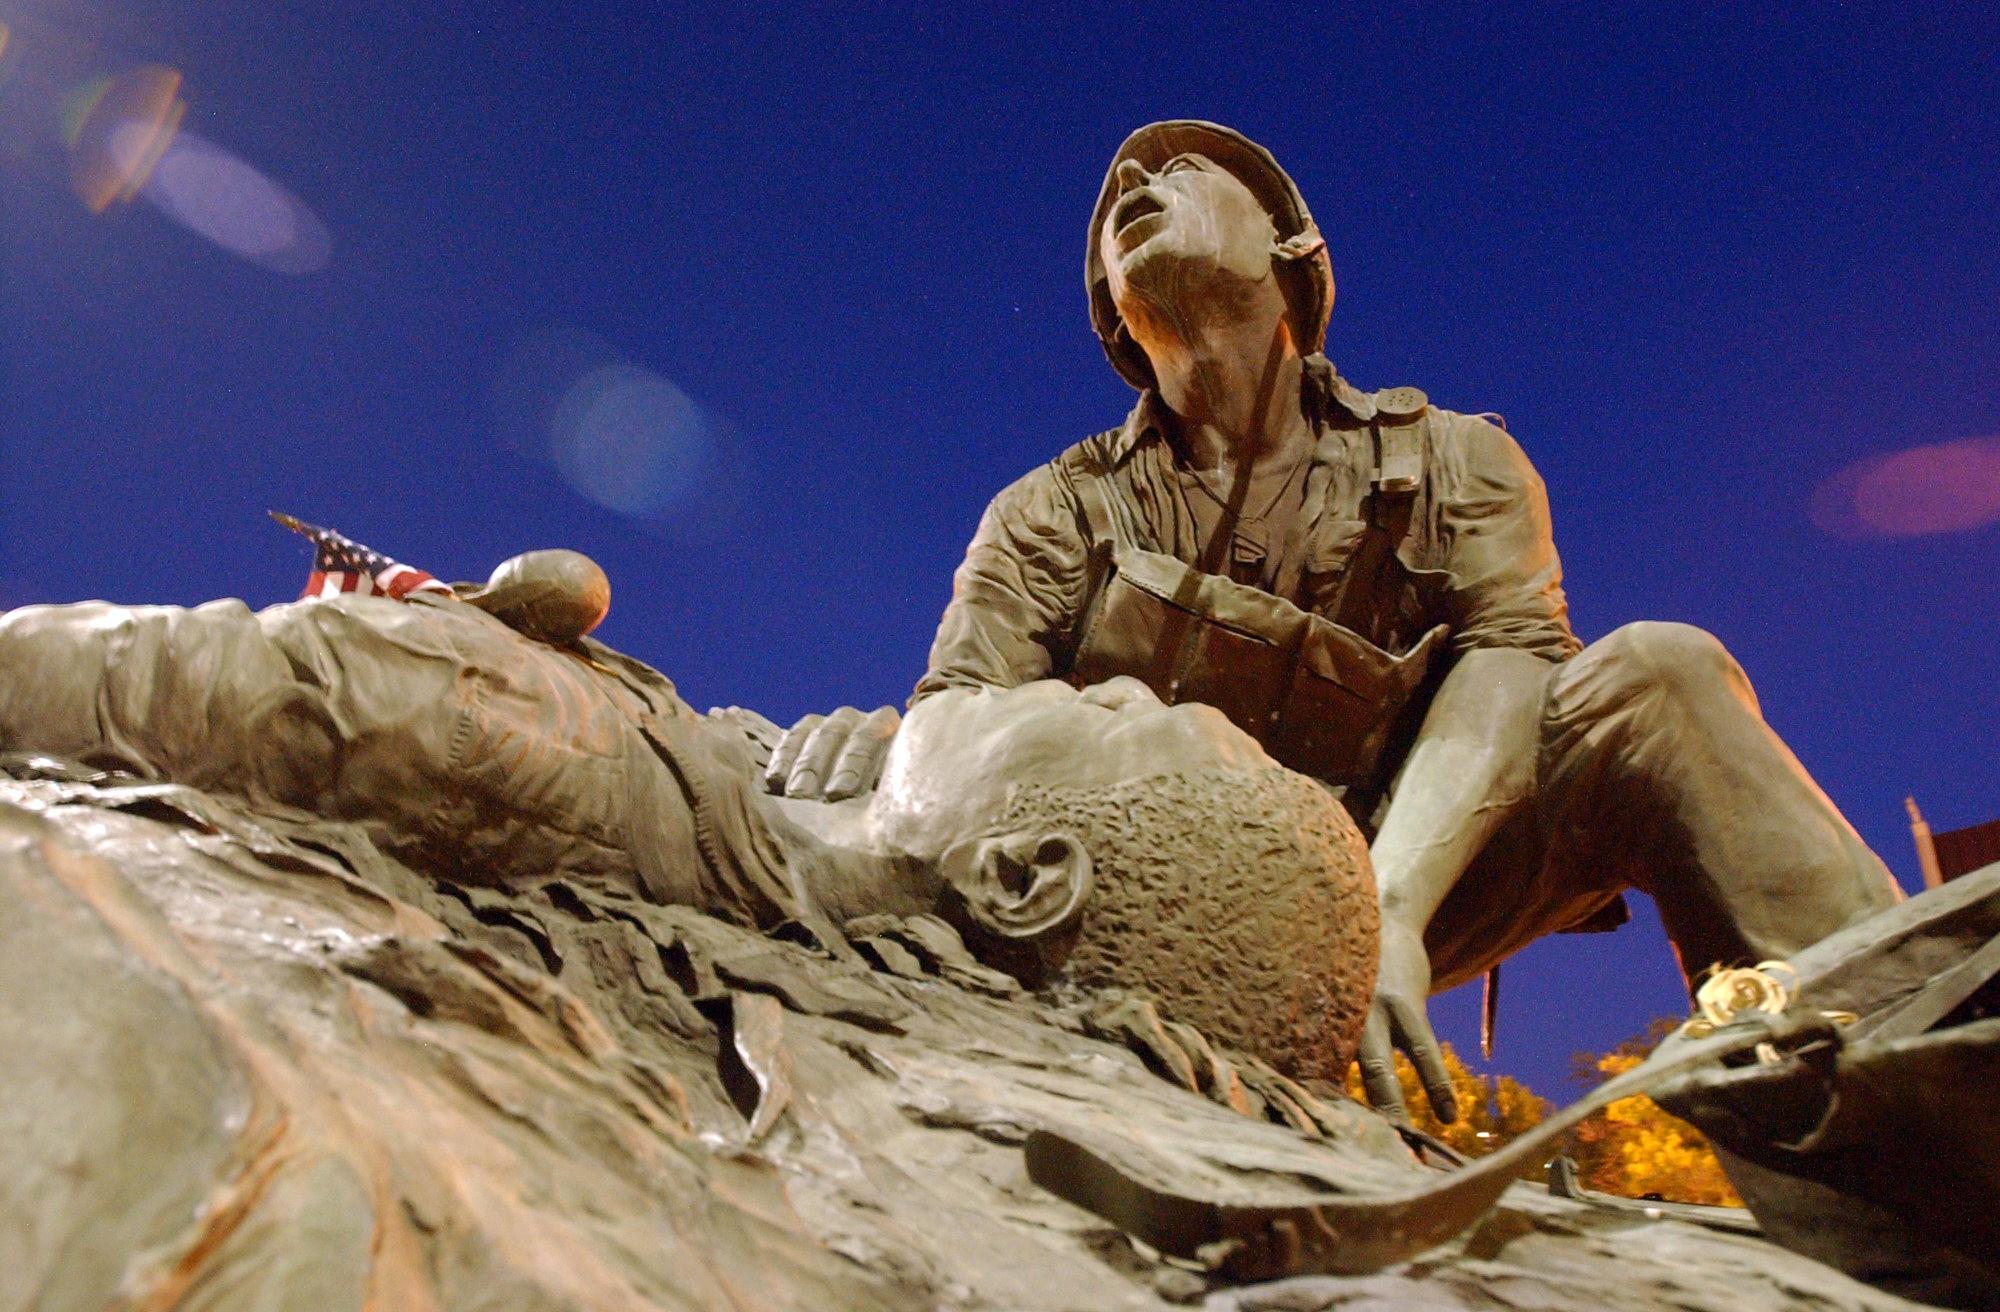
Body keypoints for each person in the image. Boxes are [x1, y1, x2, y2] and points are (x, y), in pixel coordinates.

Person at [769, 120, 1902, 1122]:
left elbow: (1516, 652)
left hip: (1424, 868)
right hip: (1145, 894)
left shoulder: (1454, 458)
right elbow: (961, 710)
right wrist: (885, 748)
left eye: (1187, 172)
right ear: (1116, 312)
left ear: (1289, 255)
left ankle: (1903, 1064)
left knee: (1659, 676)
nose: (1133, 183)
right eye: (1118, 194)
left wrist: (1389, 908)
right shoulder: (1048, 510)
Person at [0, 557, 1379, 1071]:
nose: (1112, 682)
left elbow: (84, 681)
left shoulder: (504, 734)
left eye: (1127, 721)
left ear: (1023, 877)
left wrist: (459, 652)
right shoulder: (758, 807)